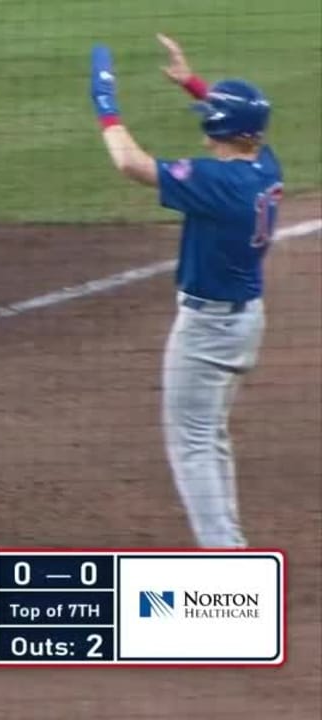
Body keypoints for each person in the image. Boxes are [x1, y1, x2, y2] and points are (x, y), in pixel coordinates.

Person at [89, 33, 284, 548]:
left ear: (221, 128)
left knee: (192, 444)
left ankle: (225, 557)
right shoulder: (265, 168)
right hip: (244, 322)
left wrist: (106, 107)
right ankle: (228, 543)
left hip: (208, 330)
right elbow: (239, 124)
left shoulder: (218, 184)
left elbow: (130, 163)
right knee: (210, 436)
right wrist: (195, 85)